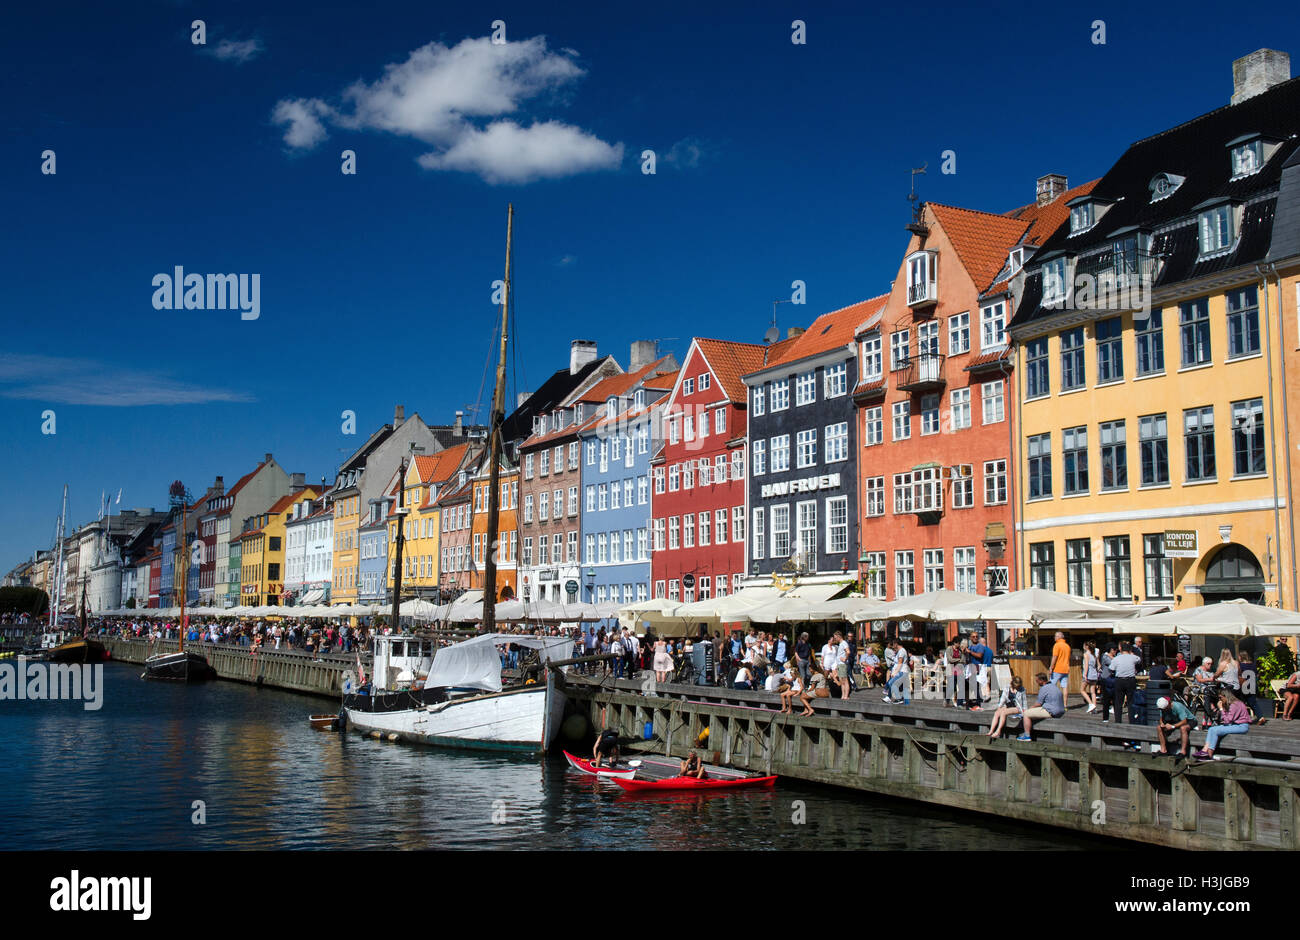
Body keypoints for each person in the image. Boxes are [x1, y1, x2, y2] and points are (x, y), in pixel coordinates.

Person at [1195, 689, 1252, 760]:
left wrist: (1221, 709)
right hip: (1235, 725)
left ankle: (1209, 754)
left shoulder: (1235, 704)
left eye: (1220, 698)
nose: (1220, 700)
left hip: (1241, 726)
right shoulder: (1233, 703)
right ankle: (1204, 750)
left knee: (1215, 731)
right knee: (1211, 729)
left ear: (1226, 696)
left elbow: (1227, 720)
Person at [1018, 673, 1065, 741]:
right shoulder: (1054, 686)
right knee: (1031, 712)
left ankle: (1027, 735)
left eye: (1037, 681)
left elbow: (1038, 704)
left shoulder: (1044, 688)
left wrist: (1029, 708)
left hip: (1052, 711)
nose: (1036, 682)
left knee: (1026, 714)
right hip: (1061, 710)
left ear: (1042, 680)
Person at [1110, 643, 1141, 724]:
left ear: (1120, 650)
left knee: (1118, 702)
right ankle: (1131, 720)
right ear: (1130, 650)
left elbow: (1111, 669)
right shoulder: (1133, 657)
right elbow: (1139, 660)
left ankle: (1118, 721)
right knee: (1131, 701)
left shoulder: (1116, 658)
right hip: (1130, 680)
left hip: (1119, 680)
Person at [968, 632, 993, 708]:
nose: (975, 638)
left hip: (981, 667)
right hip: (986, 666)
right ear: (970, 638)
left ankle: (982, 699)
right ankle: (984, 697)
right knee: (984, 683)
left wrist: (970, 652)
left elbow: (979, 655)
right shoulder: (990, 650)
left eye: (976, 636)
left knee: (981, 684)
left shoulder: (980, 647)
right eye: (973, 636)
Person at [884, 639, 911, 704]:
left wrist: (895, 672)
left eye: (893, 644)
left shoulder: (902, 651)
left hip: (901, 671)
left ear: (896, 644)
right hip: (900, 670)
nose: (892, 646)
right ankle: (894, 697)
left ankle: (899, 698)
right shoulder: (900, 651)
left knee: (891, 683)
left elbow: (900, 663)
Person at [1049, 631, 1071, 708]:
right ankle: (1065, 705)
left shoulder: (1057, 645)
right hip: (1065, 668)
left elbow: (1054, 657)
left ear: (1059, 637)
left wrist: (1051, 667)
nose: (1054, 638)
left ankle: (1052, 703)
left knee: (1051, 686)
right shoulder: (1067, 646)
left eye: (1055, 636)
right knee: (1064, 687)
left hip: (1057, 668)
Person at [1081, 641, 1099, 713]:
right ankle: (1094, 708)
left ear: (1086, 647)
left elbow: (1086, 666)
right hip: (1094, 674)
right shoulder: (1094, 654)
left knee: (1082, 690)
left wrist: (1085, 675)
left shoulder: (1086, 654)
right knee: (1093, 692)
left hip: (1089, 674)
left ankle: (1090, 704)